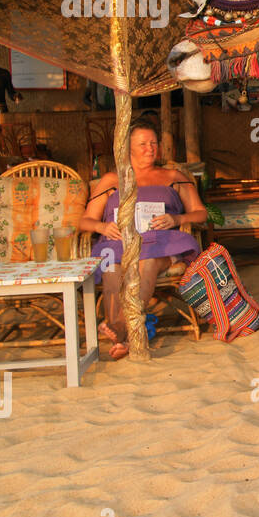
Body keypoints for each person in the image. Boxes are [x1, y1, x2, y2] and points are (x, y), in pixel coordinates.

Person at [79, 120, 206, 360]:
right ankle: (125, 332)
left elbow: (201, 213)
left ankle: (119, 330)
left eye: (153, 143)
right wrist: (102, 226)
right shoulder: (111, 180)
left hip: (160, 240)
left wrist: (176, 218)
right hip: (118, 242)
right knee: (110, 266)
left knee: (146, 263)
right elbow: (84, 221)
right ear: (128, 149)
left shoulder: (173, 176)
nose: (150, 149)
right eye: (143, 144)